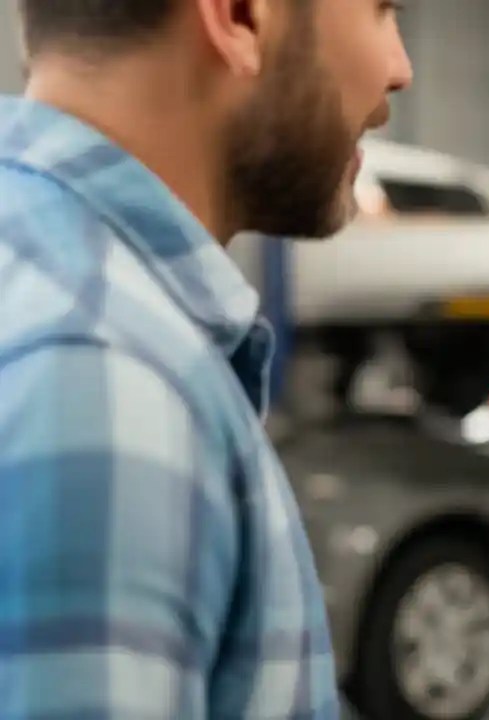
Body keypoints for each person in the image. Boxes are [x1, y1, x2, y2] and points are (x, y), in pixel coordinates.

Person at [0, 0, 411, 716]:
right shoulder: (108, 382)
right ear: (241, 15)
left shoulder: (35, 271)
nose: (400, 69)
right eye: (382, 10)